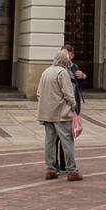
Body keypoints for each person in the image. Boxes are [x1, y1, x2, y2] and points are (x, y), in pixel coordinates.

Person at [37, 50, 82, 181]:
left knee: (49, 142)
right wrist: (73, 107)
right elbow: (69, 94)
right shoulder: (63, 73)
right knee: (67, 141)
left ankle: (50, 169)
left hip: (46, 113)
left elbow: (39, 92)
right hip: (61, 113)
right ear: (66, 62)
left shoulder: (46, 71)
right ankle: (72, 171)